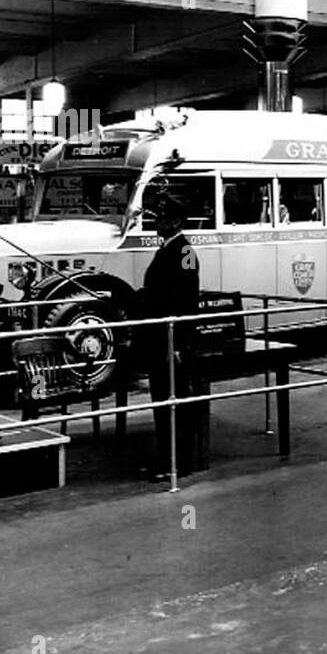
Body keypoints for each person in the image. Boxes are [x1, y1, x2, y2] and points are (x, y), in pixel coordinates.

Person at [137, 193, 201, 480]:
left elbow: (186, 300)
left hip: (171, 340)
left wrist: (180, 343)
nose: (156, 221)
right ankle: (166, 459)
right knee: (163, 403)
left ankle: (178, 463)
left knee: (174, 404)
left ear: (176, 221)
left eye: (161, 217)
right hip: (159, 338)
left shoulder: (184, 252)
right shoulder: (167, 249)